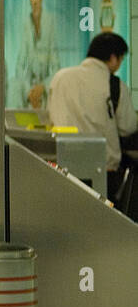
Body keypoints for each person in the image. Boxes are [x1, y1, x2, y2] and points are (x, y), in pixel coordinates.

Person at [48, 32, 138, 201]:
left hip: (62, 167)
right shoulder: (114, 84)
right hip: (103, 172)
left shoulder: (61, 77)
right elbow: (128, 127)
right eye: (120, 59)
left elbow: (52, 116)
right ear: (112, 58)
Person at [10, 0, 59, 110]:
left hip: (45, 89)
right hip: (29, 91)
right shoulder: (26, 23)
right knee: (14, 85)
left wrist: (42, 87)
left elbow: (56, 67)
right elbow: (20, 64)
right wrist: (29, 91)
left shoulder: (50, 22)